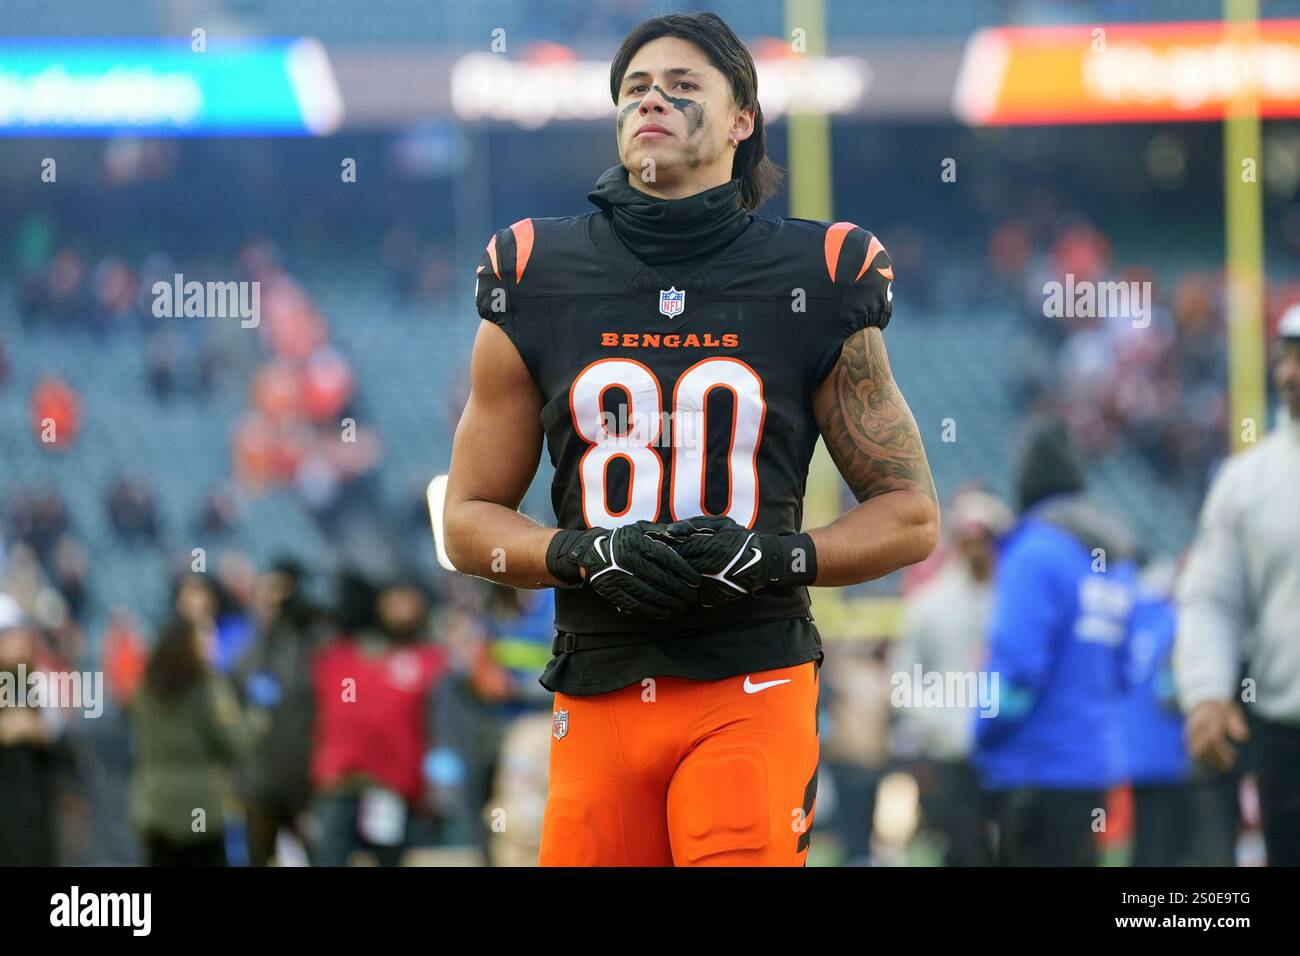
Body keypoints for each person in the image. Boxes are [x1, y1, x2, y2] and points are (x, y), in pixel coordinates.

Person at [443, 11, 939, 866]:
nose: (653, 101)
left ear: (743, 119)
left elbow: (909, 514)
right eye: (635, 88)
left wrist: (771, 557)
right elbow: (465, 522)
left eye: (683, 85)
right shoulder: (535, 270)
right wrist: (579, 553)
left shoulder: (816, 273)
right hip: (596, 681)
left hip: (749, 675)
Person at [972, 417, 1138, 866]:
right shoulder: (1115, 558)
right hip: (1093, 769)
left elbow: (1018, 670)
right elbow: (1126, 672)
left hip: (1035, 771)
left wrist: (981, 733)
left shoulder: (1035, 552)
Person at [1174, 303, 1300, 866]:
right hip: (1285, 737)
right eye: (1286, 357)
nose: (1289, 374)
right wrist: (1206, 690)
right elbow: (1212, 598)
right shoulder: (1247, 480)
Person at [892, 489, 1013, 866]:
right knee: (963, 851)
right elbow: (901, 680)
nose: (978, 549)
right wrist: (942, 721)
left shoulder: (1016, 600)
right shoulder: (931, 604)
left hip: (1009, 748)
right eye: (970, 539)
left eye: (986, 539)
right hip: (953, 753)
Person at [128, 617, 248, 866]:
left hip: (156, 808)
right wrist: (258, 716)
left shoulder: (145, 688)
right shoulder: (206, 688)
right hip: (200, 809)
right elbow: (234, 743)